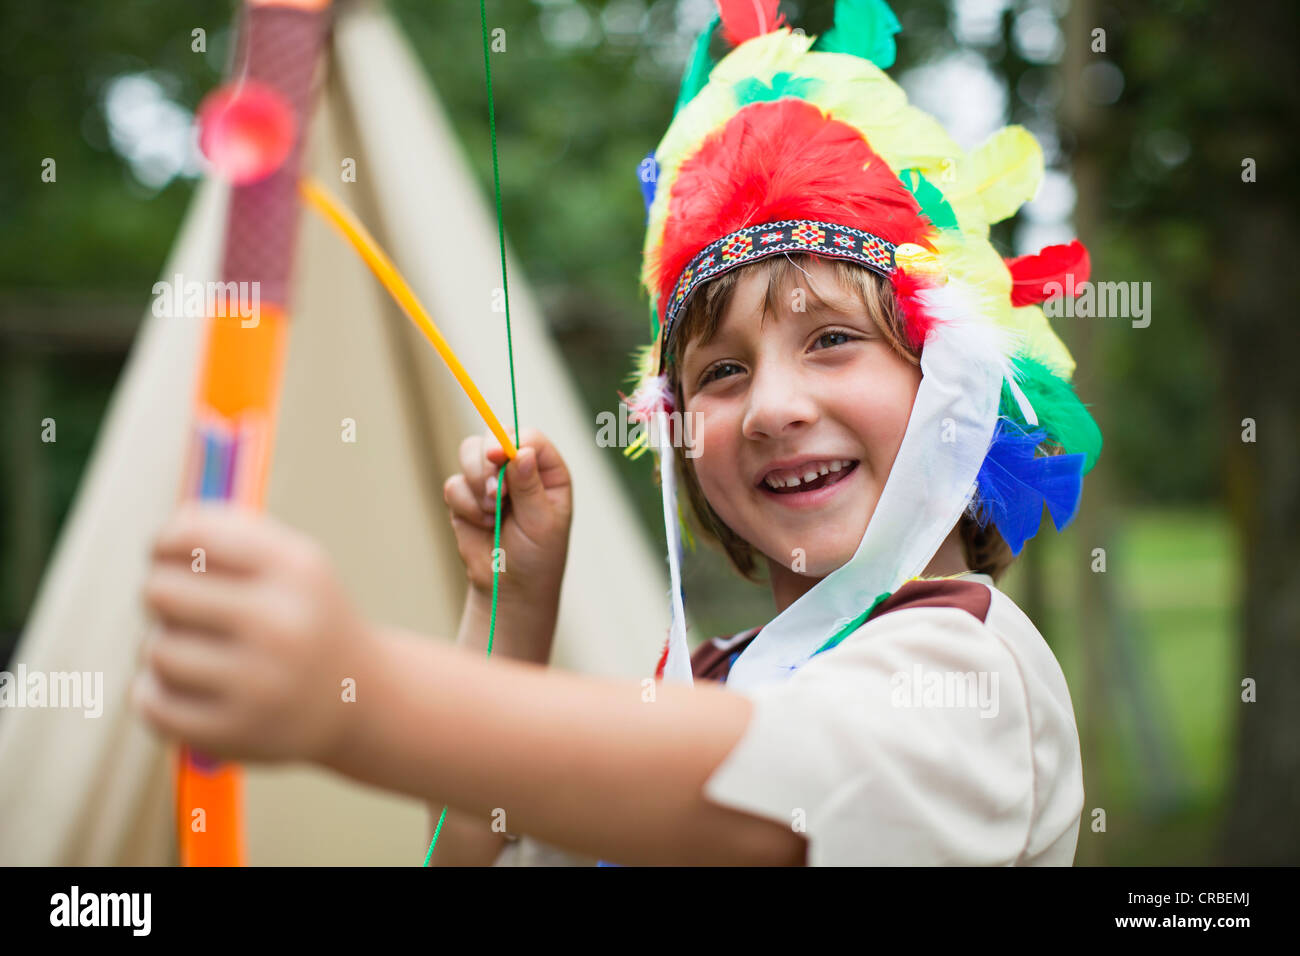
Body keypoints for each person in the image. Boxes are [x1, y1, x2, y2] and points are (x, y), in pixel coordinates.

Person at [135, 1, 1101, 866]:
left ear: (958, 384)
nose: (770, 409)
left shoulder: (969, 669)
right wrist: (510, 614)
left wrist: (360, 696)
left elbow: (763, 800)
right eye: (720, 372)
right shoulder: (701, 686)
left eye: (834, 339)